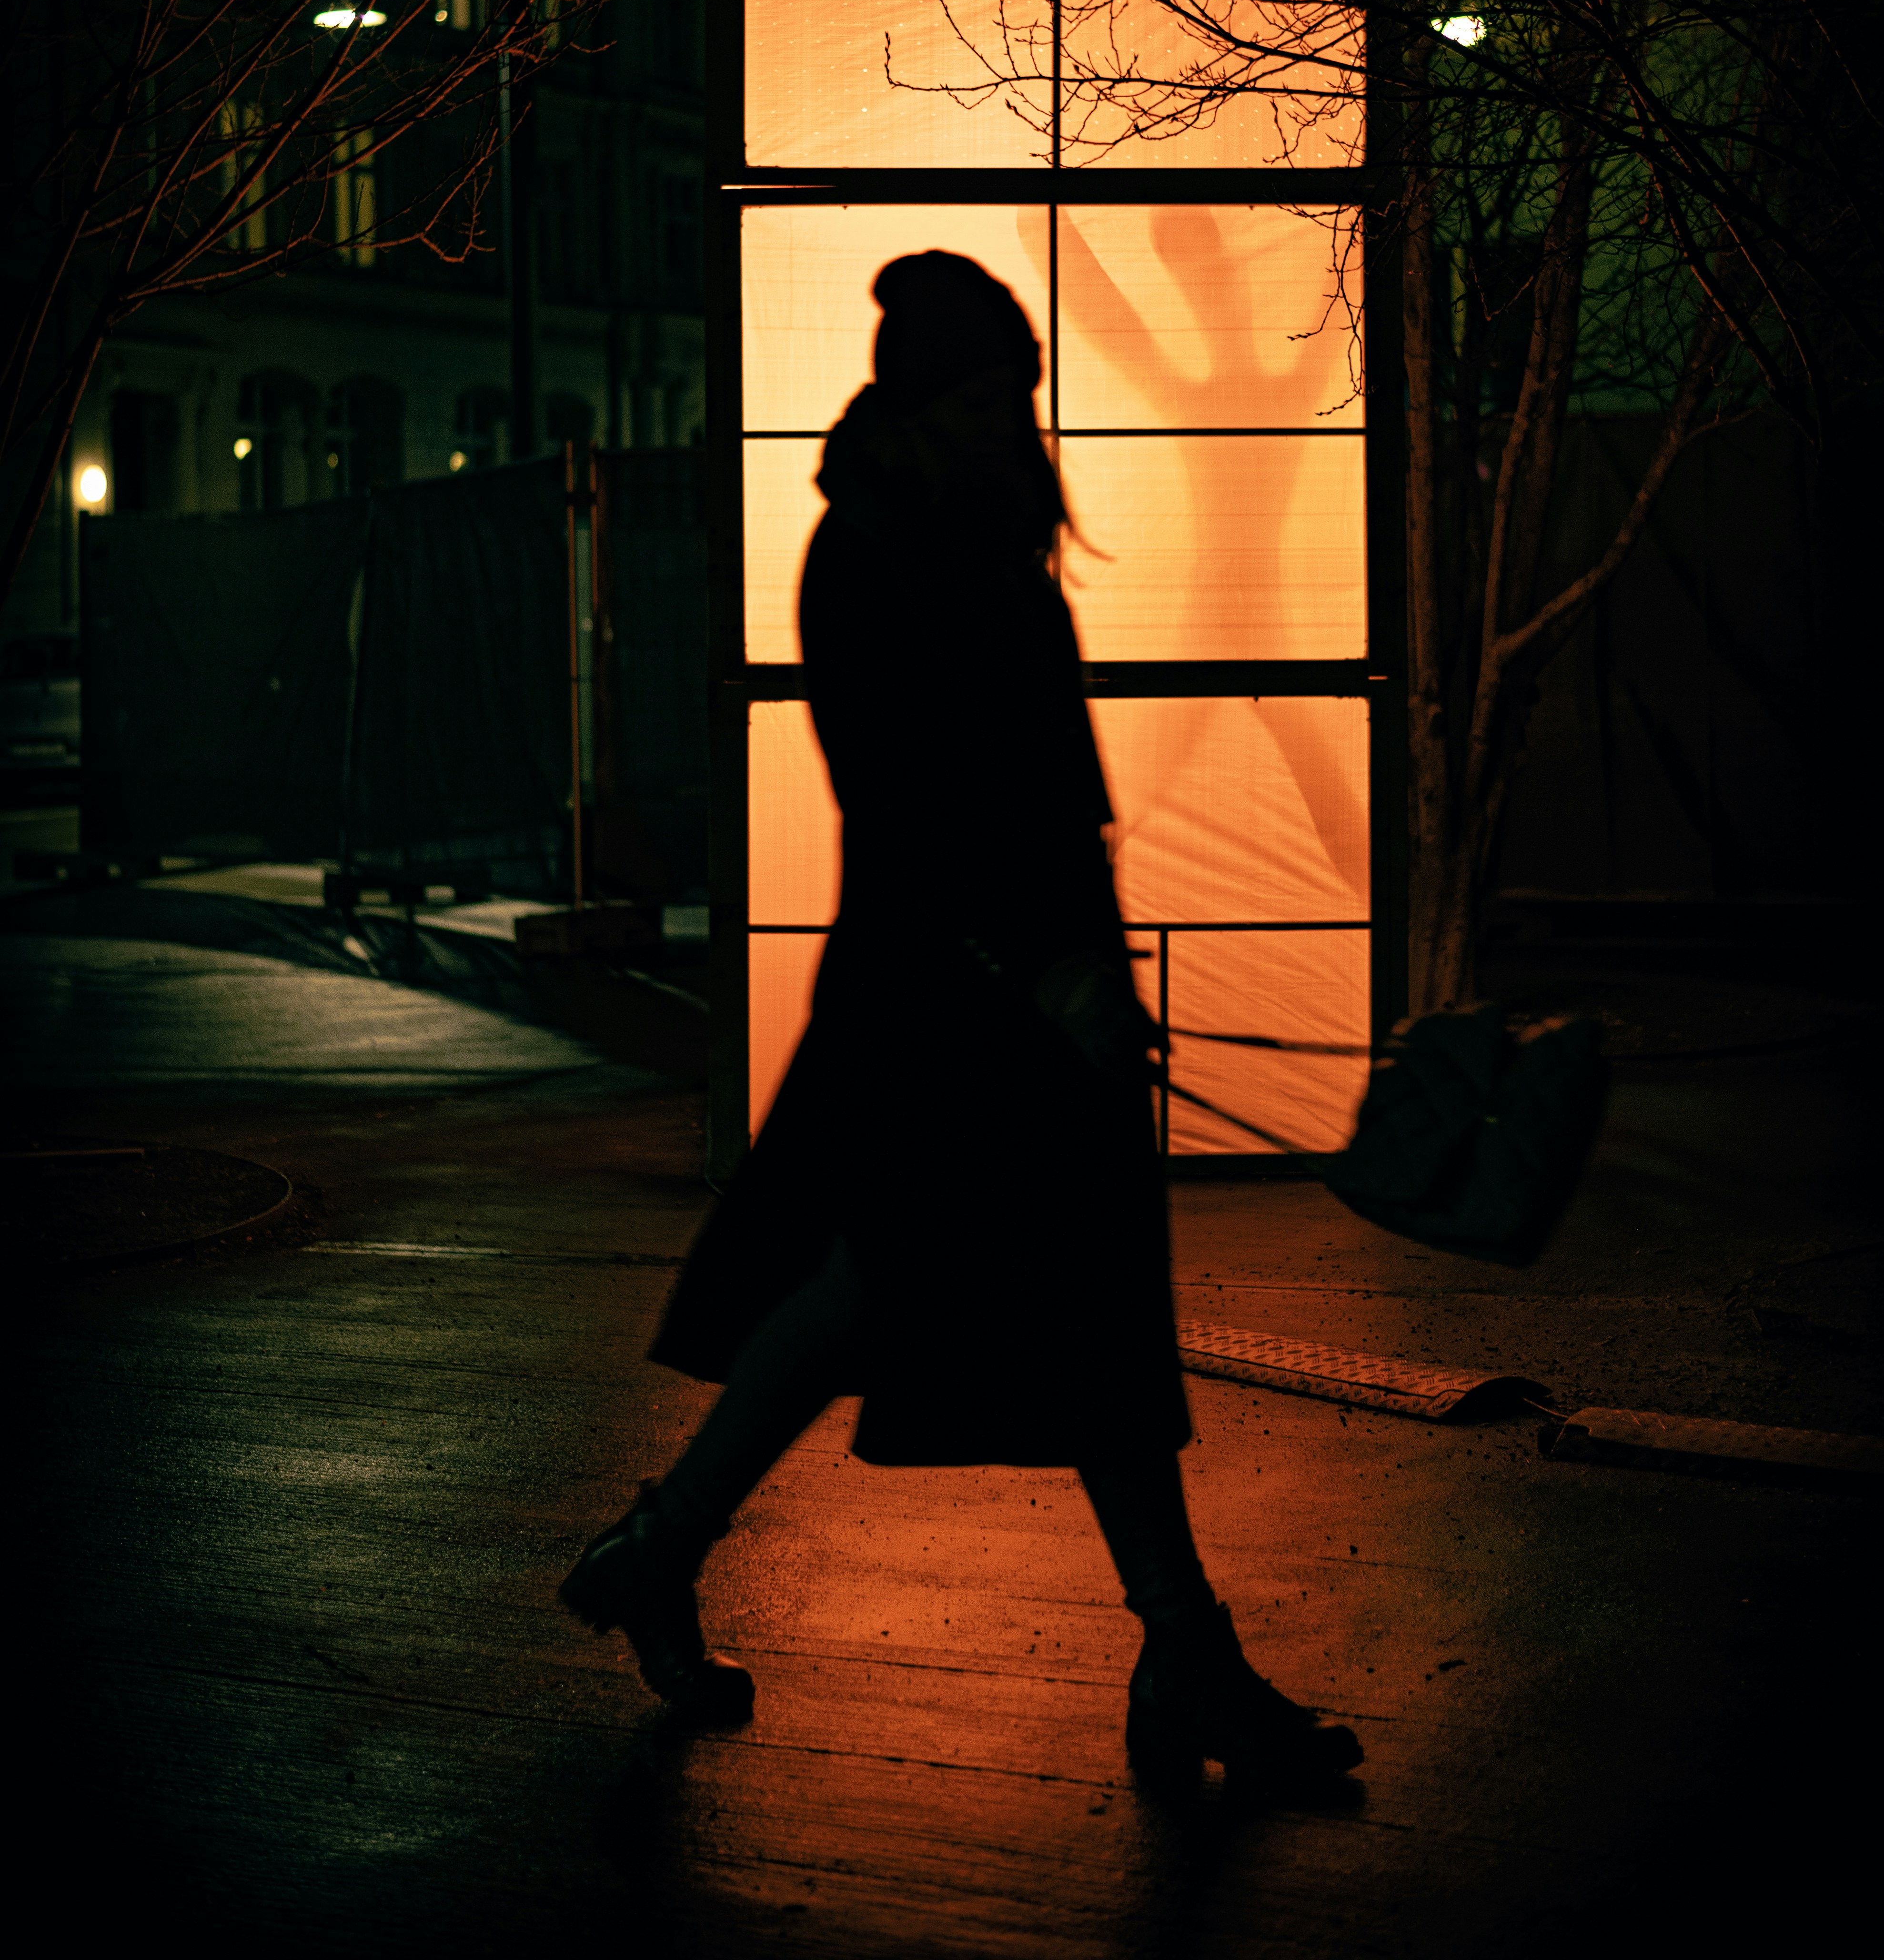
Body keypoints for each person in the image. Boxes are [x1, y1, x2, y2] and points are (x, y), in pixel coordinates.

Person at [562, 251, 1361, 1787]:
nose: (1010, 418)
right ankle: (1178, 1652)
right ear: (932, 397)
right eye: (986, 391)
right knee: (1040, 1318)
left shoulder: (943, 535)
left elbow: (994, 787)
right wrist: (1052, 965)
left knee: (985, 1311)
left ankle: (670, 1552)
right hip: (962, 995)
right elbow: (919, 795)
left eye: (1016, 391)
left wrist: (1078, 966)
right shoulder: (879, 547)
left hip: (994, 984)